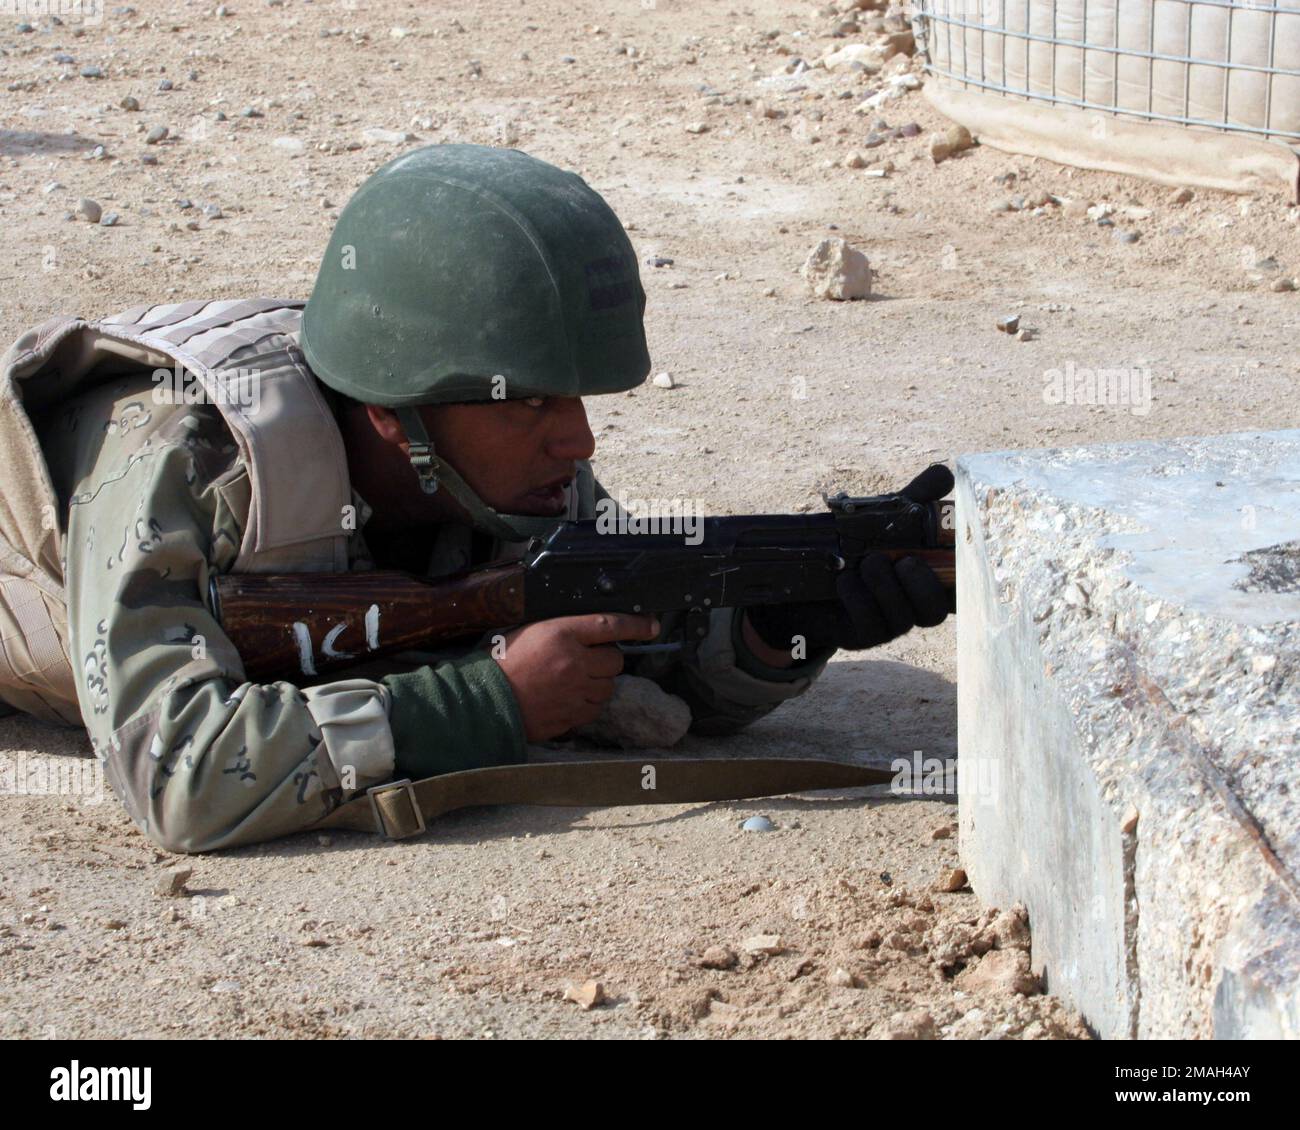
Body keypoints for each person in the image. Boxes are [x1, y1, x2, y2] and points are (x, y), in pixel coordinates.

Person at [9, 144, 950, 853]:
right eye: (532, 403)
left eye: (576, 397)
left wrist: (778, 631)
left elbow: (644, 658)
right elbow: (179, 774)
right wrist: (486, 701)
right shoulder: (180, 454)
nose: (576, 441)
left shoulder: (505, 468)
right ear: (394, 415)